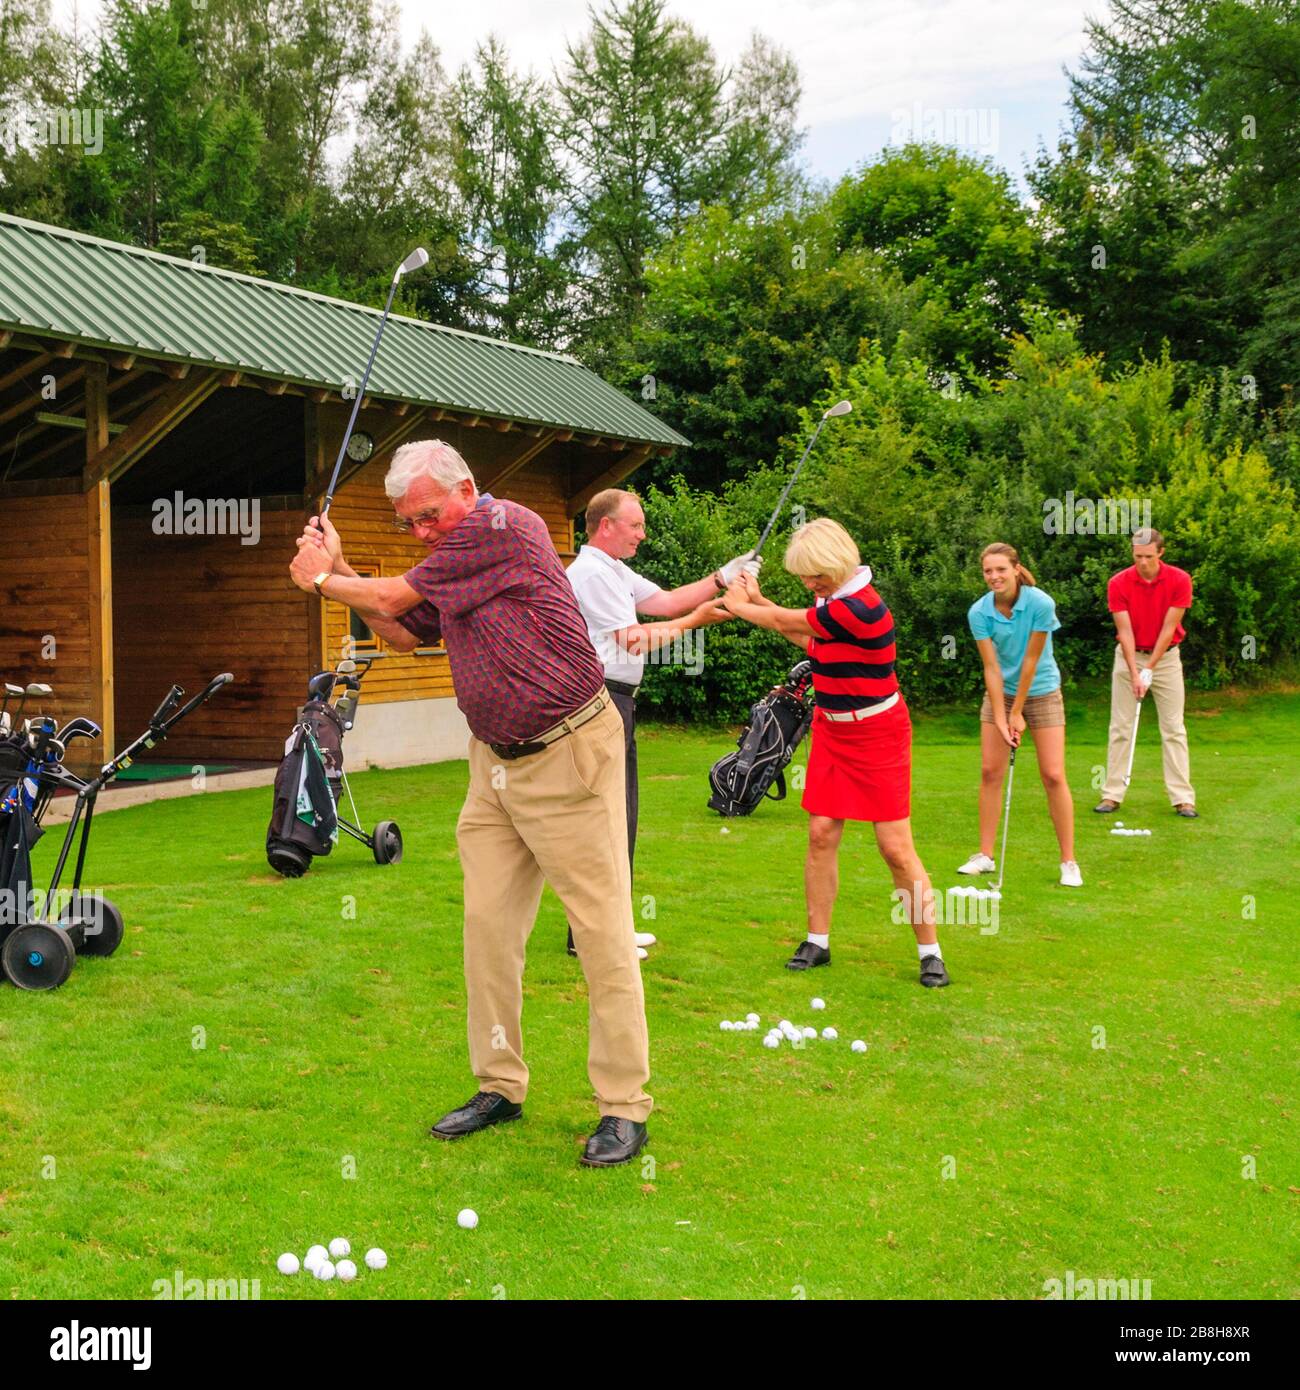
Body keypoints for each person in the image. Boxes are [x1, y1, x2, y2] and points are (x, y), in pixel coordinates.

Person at [288, 439, 651, 1167]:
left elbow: (389, 599)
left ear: (467, 490)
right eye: (408, 525)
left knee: (601, 929)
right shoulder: (451, 554)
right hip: (494, 764)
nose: (421, 532)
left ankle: (623, 1106)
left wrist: (326, 578)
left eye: (428, 516)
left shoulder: (500, 528)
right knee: (488, 930)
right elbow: (398, 628)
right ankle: (500, 1086)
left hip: (569, 750)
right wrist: (347, 566)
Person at [719, 517, 949, 988]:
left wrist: (743, 607)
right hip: (833, 731)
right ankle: (817, 942)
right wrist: (758, 601)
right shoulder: (832, 600)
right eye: (804, 576)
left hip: (879, 733)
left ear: (836, 563)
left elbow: (791, 621)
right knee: (821, 833)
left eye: (813, 574)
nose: (808, 584)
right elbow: (812, 642)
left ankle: (930, 951)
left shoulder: (862, 608)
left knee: (896, 849)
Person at [564, 487, 755, 958]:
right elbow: (632, 641)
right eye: (636, 525)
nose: (642, 535)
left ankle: (610, 928)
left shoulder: (613, 569)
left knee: (621, 815)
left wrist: (721, 577)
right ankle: (592, 937)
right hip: (600, 699)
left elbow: (666, 602)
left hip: (617, 701)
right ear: (605, 525)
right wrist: (698, 621)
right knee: (607, 817)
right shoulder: (590, 572)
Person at [960, 542, 1082, 888]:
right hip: (1001, 691)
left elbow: (1030, 661)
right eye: (988, 571)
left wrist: (1017, 712)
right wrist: (1001, 717)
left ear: (1016, 568)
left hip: (1042, 690)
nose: (994, 576)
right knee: (989, 771)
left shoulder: (1041, 603)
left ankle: (1068, 861)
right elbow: (992, 668)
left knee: (1054, 774)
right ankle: (984, 855)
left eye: (1001, 569)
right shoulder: (979, 612)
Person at [1095, 527, 1197, 817]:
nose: (1142, 562)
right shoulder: (1119, 583)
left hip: (1166, 659)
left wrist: (1150, 668)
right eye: (1137, 555)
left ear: (1160, 553)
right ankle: (1112, 794)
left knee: (1174, 728)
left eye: (1148, 556)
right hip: (1128, 657)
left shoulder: (1180, 580)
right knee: (1120, 727)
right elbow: (1124, 631)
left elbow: (1169, 628)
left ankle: (1182, 798)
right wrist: (1134, 671)